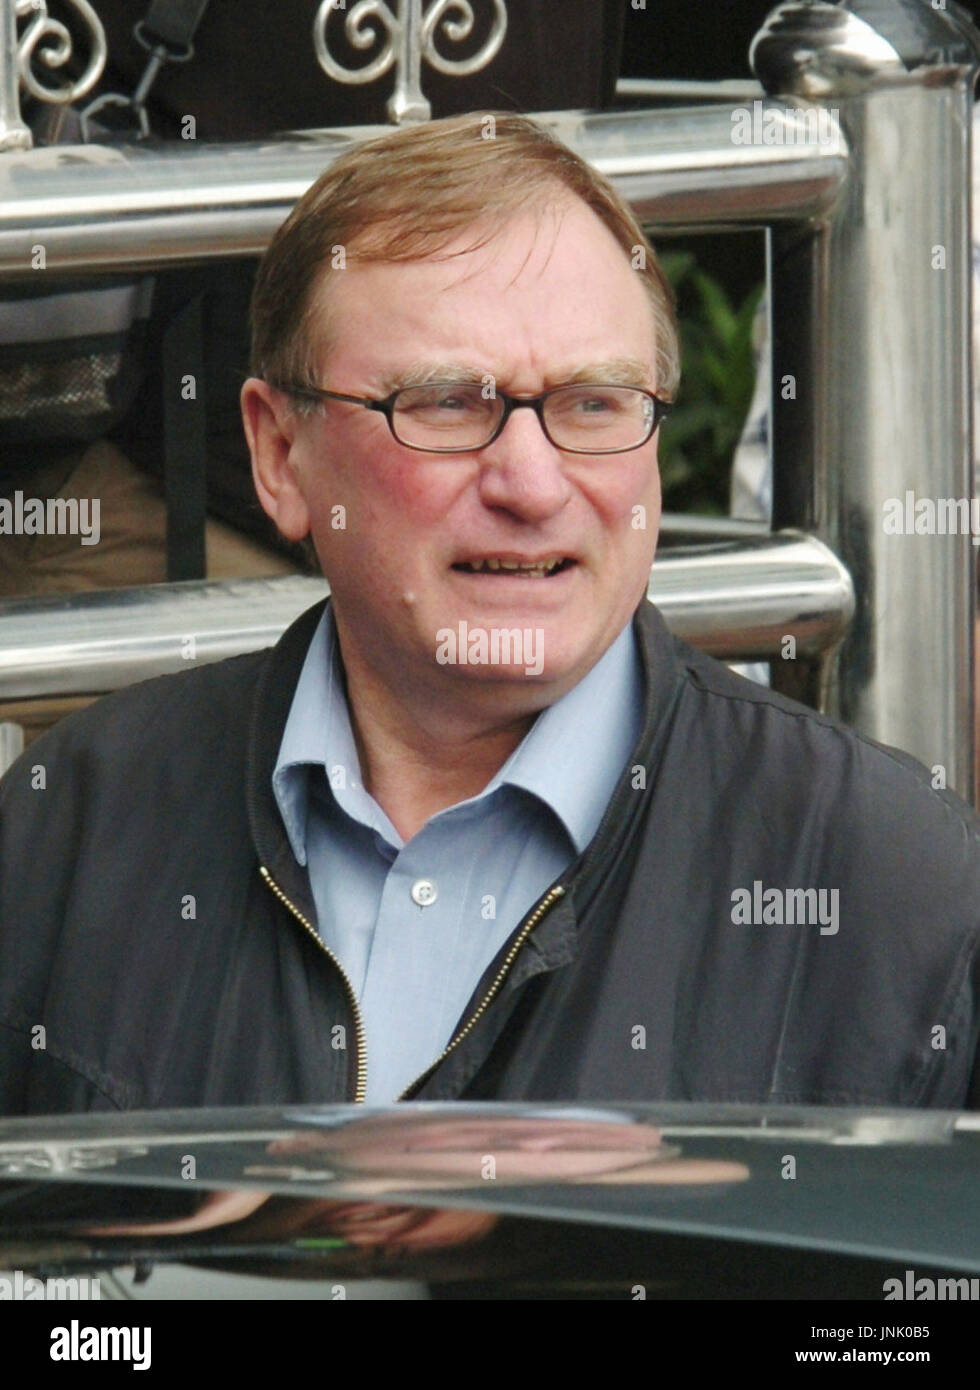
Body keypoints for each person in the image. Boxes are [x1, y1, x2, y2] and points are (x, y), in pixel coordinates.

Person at [1, 112, 979, 1117]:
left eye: (593, 404)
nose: (530, 481)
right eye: (446, 404)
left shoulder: (885, 881)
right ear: (280, 456)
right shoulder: (72, 825)